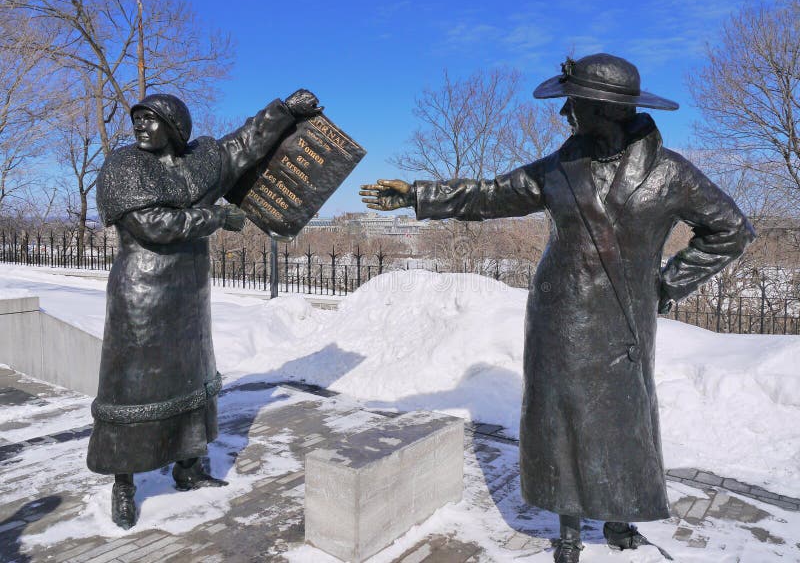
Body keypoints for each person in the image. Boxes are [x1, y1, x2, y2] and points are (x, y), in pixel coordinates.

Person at [361, 53, 755, 563]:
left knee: (621, 418)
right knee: (561, 416)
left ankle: (620, 512)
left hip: (623, 320)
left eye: (574, 105)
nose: (564, 114)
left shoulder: (670, 174)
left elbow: (731, 230)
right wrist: (418, 194)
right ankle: (568, 528)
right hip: (560, 315)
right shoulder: (562, 167)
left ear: (606, 110)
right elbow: (492, 195)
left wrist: (666, 285)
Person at [89, 89, 321, 529]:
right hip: (140, 292)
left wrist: (286, 109)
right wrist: (215, 218)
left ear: (175, 128)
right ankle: (124, 483)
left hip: (188, 294)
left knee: (192, 376)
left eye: (151, 119)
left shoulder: (201, 161)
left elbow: (245, 142)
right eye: (137, 119)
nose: (140, 126)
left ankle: (189, 468)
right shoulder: (124, 166)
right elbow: (151, 224)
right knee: (130, 386)